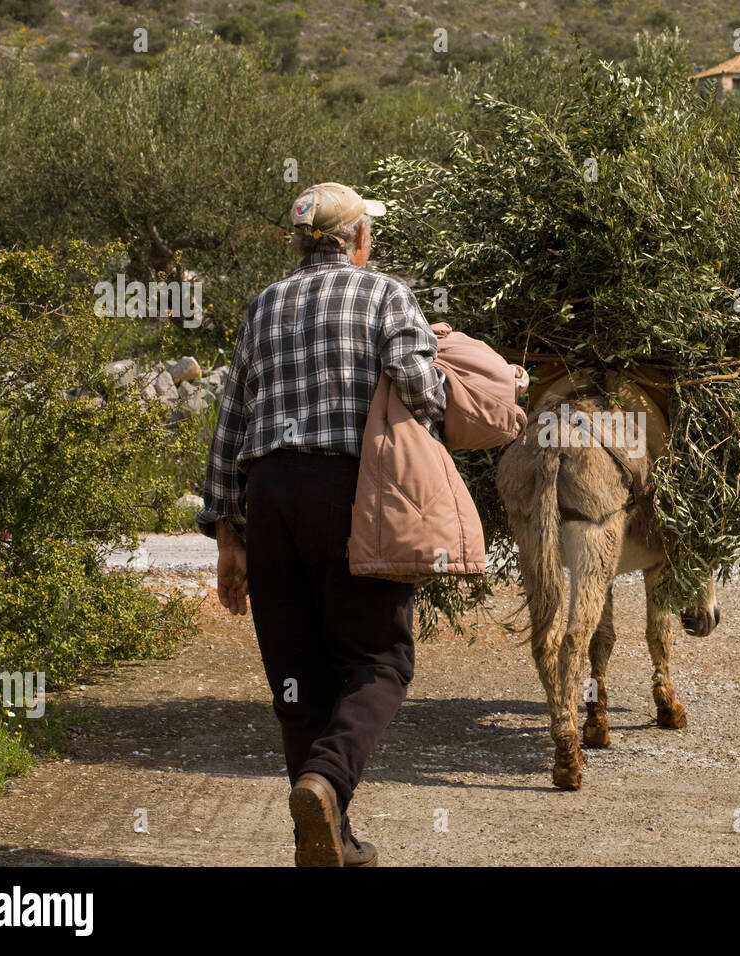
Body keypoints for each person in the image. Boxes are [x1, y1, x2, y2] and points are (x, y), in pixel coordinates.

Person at [196, 182, 445, 866]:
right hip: (347, 493)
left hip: (271, 498)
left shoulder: (263, 305)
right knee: (380, 660)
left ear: (301, 242)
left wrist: (227, 534)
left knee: (296, 677)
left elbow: (230, 420)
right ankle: (326, 781)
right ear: (359, 238)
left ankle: (329, 835)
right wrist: (451, 374)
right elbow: (417, 385)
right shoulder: (386, 294)